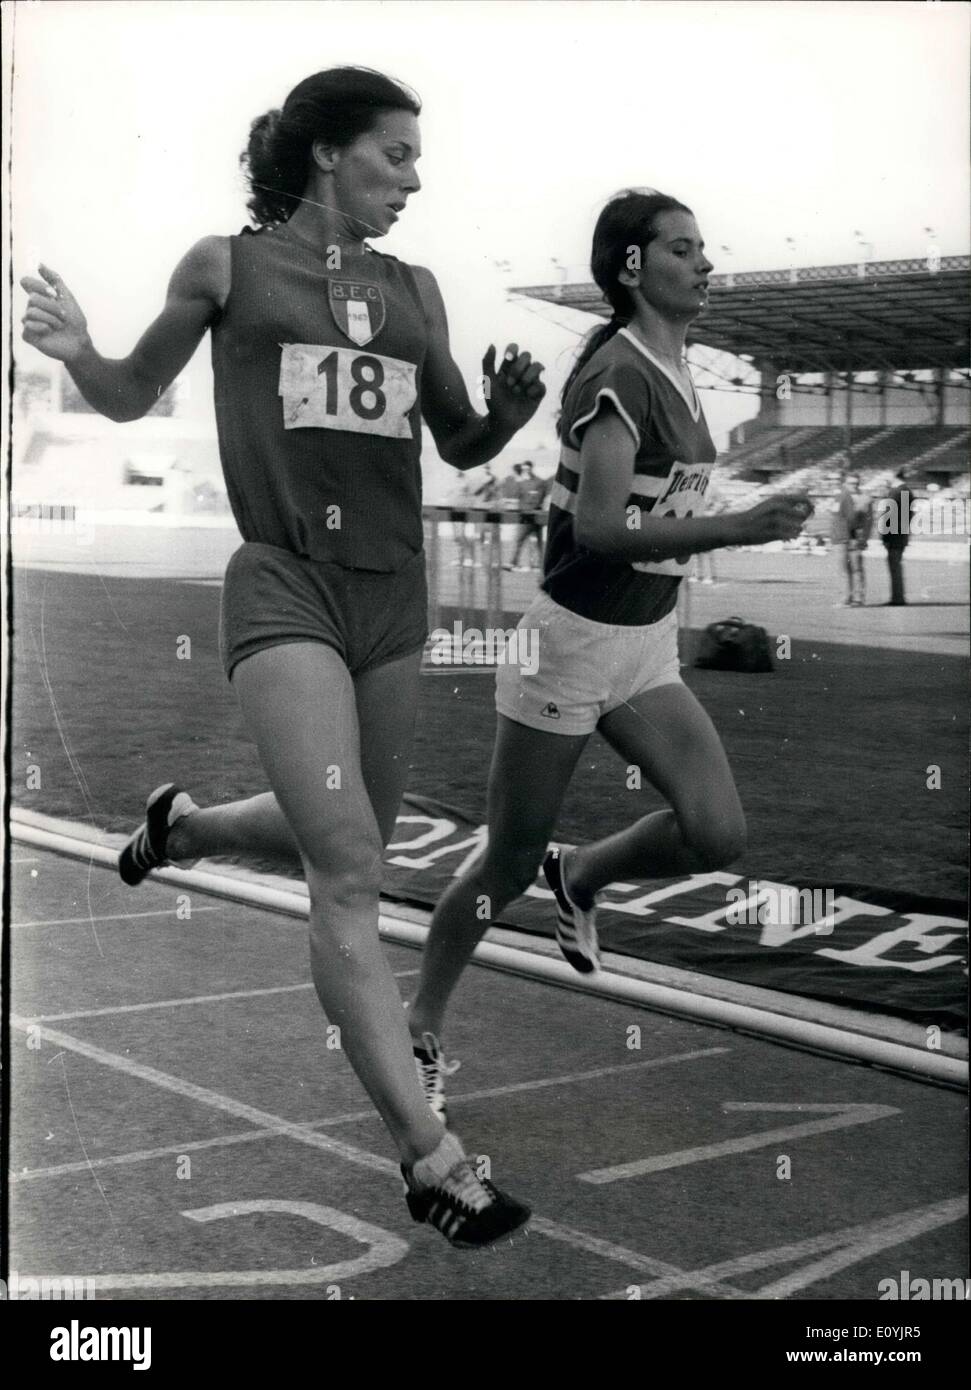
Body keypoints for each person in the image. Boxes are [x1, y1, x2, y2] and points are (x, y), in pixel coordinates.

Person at [20, 66, 546, 1248]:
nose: (414, 179)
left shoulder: (414, 290)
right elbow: (127, 392)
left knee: (351, 827)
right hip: (284, 583)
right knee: (347, 862)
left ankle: (186, 829)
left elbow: (459, 438)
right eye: (396, 154)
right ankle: (430, 1158)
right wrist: (80, 349)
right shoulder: (224, 268)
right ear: (325, 153)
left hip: (392, 597)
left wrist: (506, 415)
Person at [402, 190, 811, 1111]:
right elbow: (596, 529)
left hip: (644, 648)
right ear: (632, 267)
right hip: (569, 647)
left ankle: (581, 874)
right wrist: (737, 526)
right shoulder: (618, 373)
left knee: (716, 834)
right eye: (682, 249)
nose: (704, 263)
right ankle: (419, 1026)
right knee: (504, 865)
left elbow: (655, 511)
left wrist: (726, 525)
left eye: (703, 248)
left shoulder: (678, 369)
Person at [834, 471, 873, 606]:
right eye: (851, 483)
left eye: (856, 483)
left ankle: (857, 598)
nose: (854, 486)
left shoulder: (865, 499)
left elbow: (869, 521)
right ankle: (846, 598)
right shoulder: (841, 496)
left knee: (856, 569)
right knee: (844, 569)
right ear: (845, 483)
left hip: (855, 538)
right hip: (842, 537)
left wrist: (865, 539)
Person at [504, 460, 552, 571]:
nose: (526, 471)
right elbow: (516, 496)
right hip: (525, 516)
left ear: (531, 468)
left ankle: (539, 565)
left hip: (534, 515)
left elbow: (541, 497)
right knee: (522, 540)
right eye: (524, 469)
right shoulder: (520, 483)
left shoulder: (540, 482)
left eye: (527, 469)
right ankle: (513, 563)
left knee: (536, 542)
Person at [879, 471, 914, 605]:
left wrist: (885, 537)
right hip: (901, 534)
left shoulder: (896, 492)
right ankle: (898, 597)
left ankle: (897, 598)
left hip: (894, 536)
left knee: (894, 567)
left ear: (894, 478)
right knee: (896, 567)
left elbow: (889, 516)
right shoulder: (907, 492)